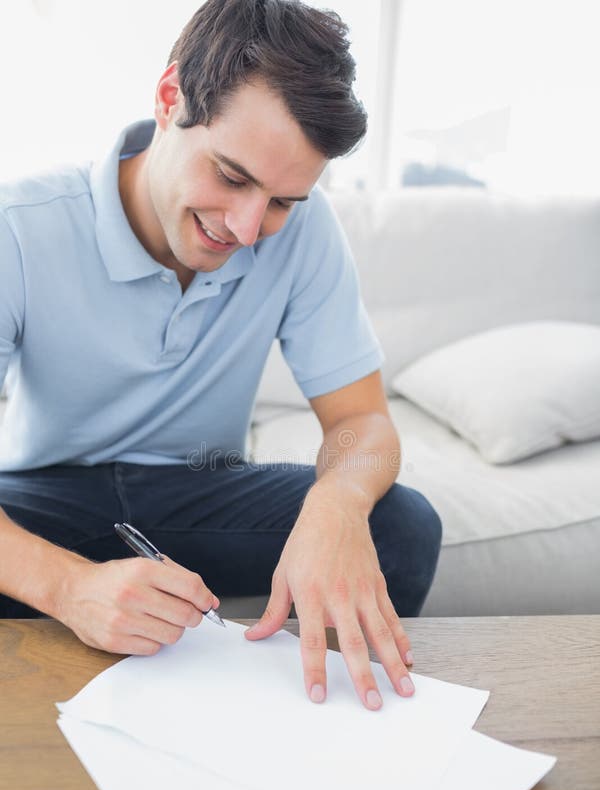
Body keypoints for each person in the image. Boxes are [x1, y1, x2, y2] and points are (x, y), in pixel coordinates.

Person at [0, 0, 441, 710]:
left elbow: (364, 419)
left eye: (280, 202)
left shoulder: (305, 234)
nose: (245, 227)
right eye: (232, 177)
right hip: (44, 494)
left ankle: (327, 723)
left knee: (400, 524)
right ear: (171, 98)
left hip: (199, 489)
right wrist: (66, 586)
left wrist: (336, 504)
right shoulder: (17, 228)